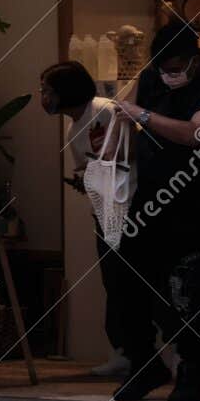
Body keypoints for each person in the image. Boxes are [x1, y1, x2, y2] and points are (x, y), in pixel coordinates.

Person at [113, 19, 200, 401]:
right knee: (134, 286)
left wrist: (143, 117)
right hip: (147, 200)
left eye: (175, 66)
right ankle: (145, 364)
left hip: (191, 202)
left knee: (190, 291)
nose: (169, 74)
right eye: (163, 67)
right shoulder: (152, 79)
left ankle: (191, 373)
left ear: (194, 60)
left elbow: (198, 134)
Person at [38, 61, 132, 377]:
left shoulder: (103, 110)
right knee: (115, 283)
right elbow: (89, 169)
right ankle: (123, 351)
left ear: (67, 91)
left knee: (135, 281)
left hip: (132, 210)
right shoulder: (73, 128)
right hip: (105, 215)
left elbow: (125, 155)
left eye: (48, 91)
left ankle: (156, 353)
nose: (44, 97)